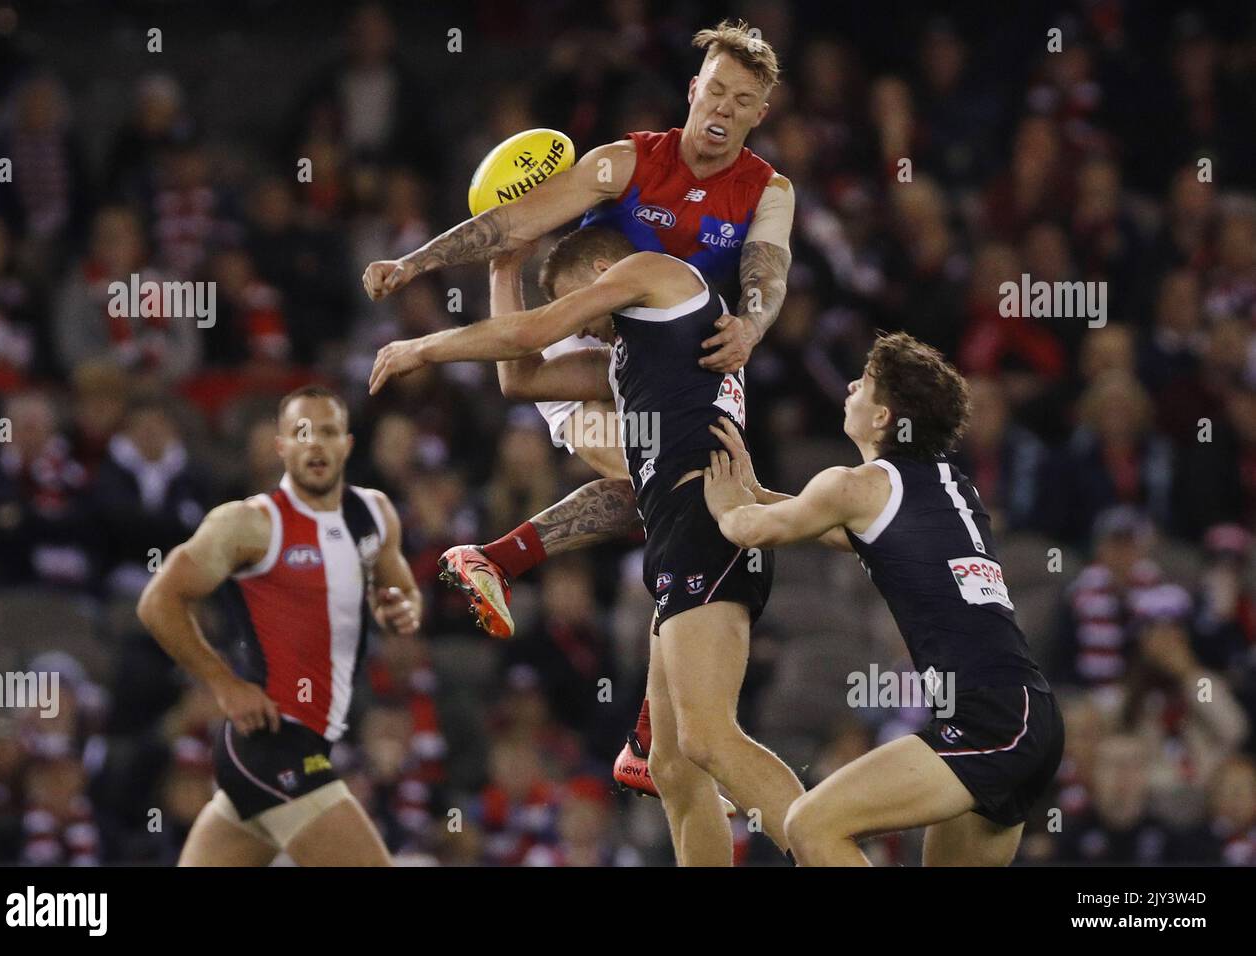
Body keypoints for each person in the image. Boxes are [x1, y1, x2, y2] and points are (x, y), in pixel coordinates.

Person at [362, 19, 796, 796]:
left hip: (675, 349)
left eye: (744, 99)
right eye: (716, 91)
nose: (724, 109)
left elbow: (769, 269)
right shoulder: (625, 162)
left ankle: (517, 582)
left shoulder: (768, 190)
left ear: (760, 111)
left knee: (671, 493)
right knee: (668, 483)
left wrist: (754, 326)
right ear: (693, 91)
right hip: (591, 317)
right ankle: (644, 720)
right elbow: (515, 224)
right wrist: (418, 262)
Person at [368, 226, 803, 865]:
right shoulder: (634, 356)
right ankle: (507, 561)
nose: (588, 329)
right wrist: (504, 265)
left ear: (603, 270)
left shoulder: (654, 273)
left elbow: (531, 334)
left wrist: (424, 347)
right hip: (680, 524)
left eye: (581, 303)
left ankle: (827, 846)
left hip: (700, 522)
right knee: (673, 765)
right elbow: (519, 379)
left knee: (710, 742)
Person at [703, 332, 1063, 866]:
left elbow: (751, 530)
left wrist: (724, 500)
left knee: (810, 826)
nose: (850, 386)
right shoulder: (951, 485)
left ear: (882, 418)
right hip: (1026, 715)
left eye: (865, 383)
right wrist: (755, 495)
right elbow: (833, 527)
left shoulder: (855, 484)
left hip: (991, 722)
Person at [136, 385, 423, 866]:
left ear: (347, 444)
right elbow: (156, 601)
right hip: (272, 742)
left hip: (303, 744)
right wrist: (223, 684)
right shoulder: (248, 524)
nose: (315, 444)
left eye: (327, 432)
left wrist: (401, 607)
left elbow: (400, 590)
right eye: (302, 432)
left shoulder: (374, 513)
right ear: (280, 446)